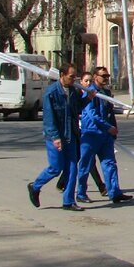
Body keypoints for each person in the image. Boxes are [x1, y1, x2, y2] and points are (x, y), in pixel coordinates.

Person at [27, 64, 90, 211]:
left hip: (71, 136)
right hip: (55, 137)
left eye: (75, 77)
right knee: (56, 168)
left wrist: (88, 98)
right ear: (62, 75)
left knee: (72, 169)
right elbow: (49, 119)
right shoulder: (52, 92)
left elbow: (77, 109)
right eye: (71, 77)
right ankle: (35, 186)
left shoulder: (74, 91)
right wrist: (55, 137)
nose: (74, 80)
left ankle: (68, 201)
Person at [77, 66, 133, 205]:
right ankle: (81, 193)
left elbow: (109, 112)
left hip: (105, 136)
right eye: (103, 76)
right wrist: (108, 127)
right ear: (96, 77)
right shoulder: (90, 92)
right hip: (91, 134)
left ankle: (114, 192)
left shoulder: (106, 92)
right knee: (86, 164)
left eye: (107, 76)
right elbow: (92, 114)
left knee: (110, 163)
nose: (106, 79)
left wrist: (113, 129)